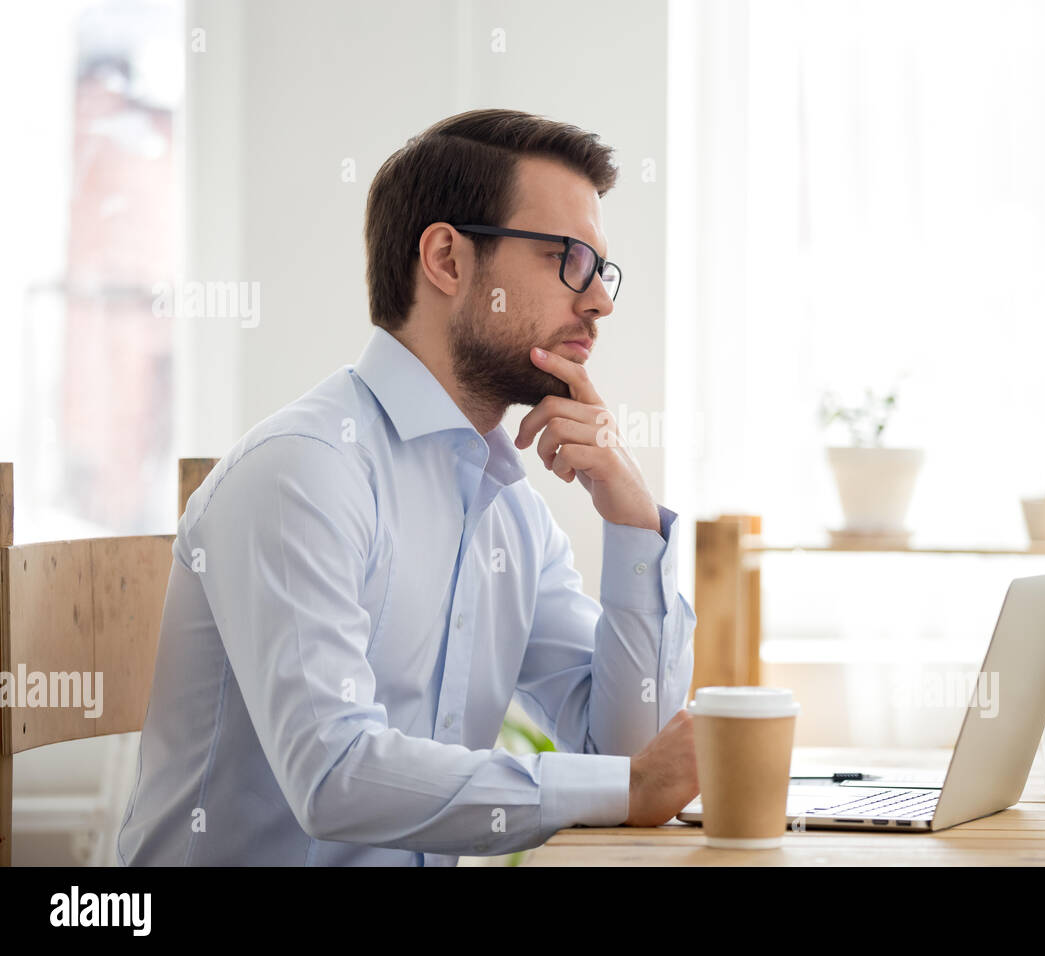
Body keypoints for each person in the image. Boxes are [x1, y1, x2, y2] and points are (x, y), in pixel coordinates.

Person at [117, 108, 700, 866]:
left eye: (601, 270)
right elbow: (335, 776)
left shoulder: (507, 508)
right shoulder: (304, 472)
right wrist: (626, 787)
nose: (600, 302)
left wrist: (631, 523)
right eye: (568, 259)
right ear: (448, 261)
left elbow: (629, 749)